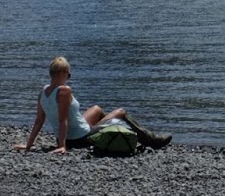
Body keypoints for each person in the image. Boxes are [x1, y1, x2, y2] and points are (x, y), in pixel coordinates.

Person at [13, 56, 171, 154]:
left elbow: (39, 120)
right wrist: (62, 146)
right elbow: (62, 120)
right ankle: (151, 140)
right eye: (68, 74)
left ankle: (112, 134)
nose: (69, 77)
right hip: (80, 138)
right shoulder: (64, 91)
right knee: (121, 112)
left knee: (96, 109)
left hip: (74, 133)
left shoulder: (44, 92)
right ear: (63, 73)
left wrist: (29, 145)